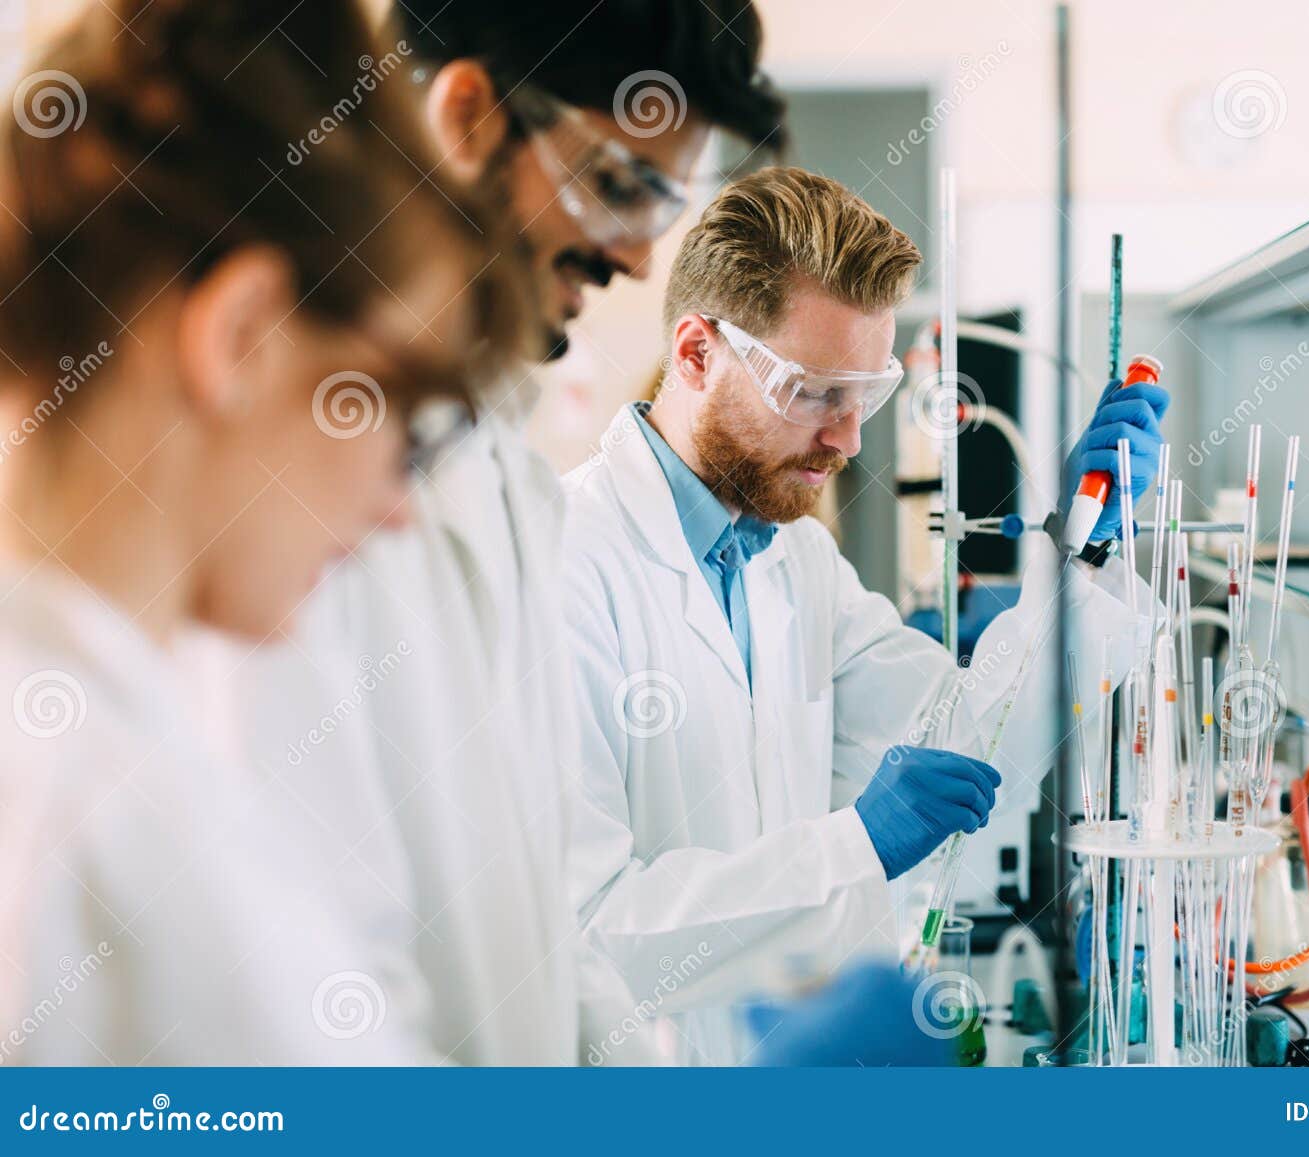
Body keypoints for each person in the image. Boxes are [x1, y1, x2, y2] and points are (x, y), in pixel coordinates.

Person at [206, 0, 865, 1065]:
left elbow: (548, 943)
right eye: (618, 186)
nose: (641, 259)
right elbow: (299, 998)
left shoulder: (509, 481)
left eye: (666, 201)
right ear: (467, 115)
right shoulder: (290, 469)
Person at [0, 0, 537, 1063]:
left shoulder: (95, 733)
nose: (400, 505)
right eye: (403, 414)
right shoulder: (107, 833)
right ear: (242, 335)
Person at [560, 166, 1170, 1063]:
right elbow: (588, 930)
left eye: (866, 394)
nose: (848, 438)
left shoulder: (795, 558)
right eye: (814, 391)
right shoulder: (564, 560)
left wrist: (1077, 548)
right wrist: (856, 846)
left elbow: (969, 742)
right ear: (696, 353)